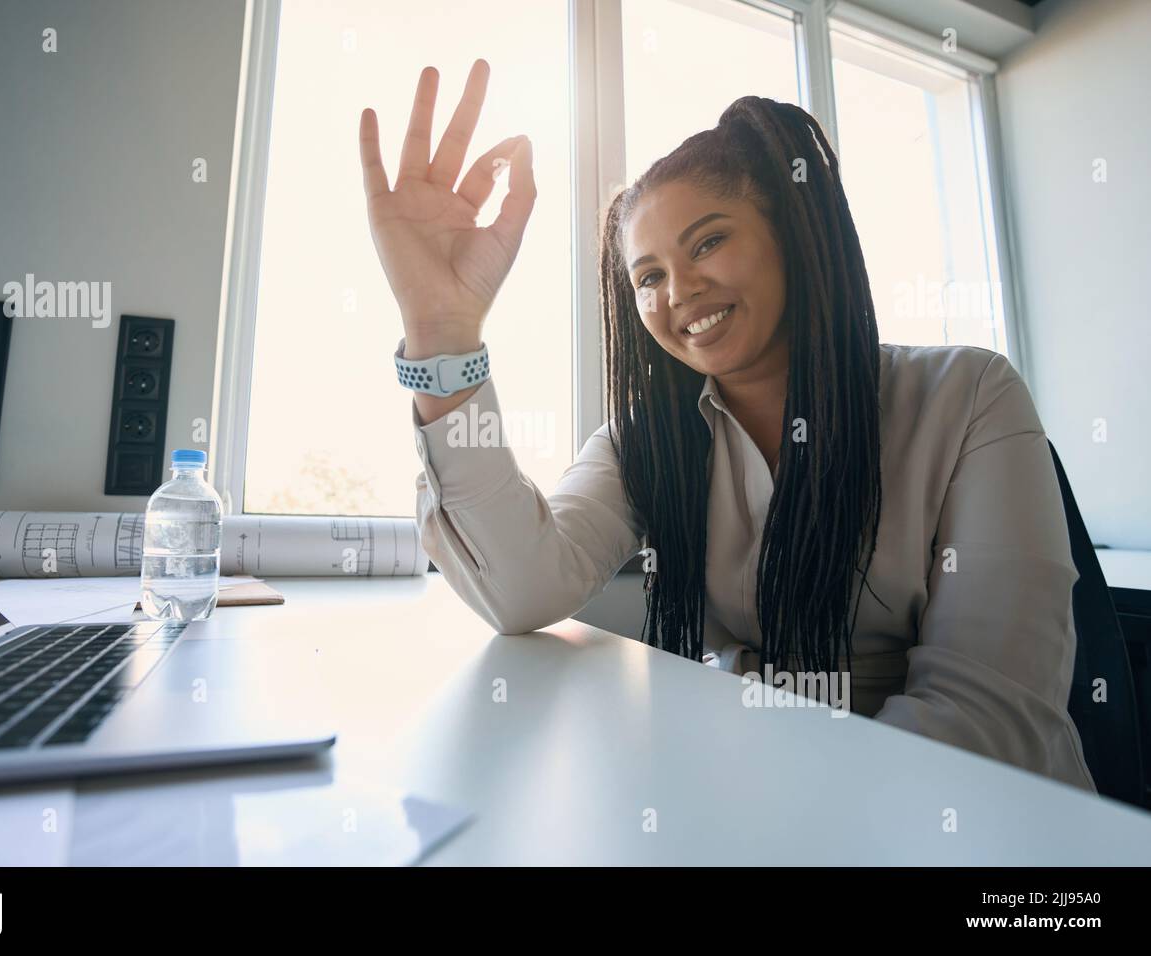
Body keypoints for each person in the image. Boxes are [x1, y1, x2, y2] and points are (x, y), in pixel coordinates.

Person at [359, 59, 1095, 791]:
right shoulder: (643, 443)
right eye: (647, 277)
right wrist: (442, 329)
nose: (679, 292)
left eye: (708, 243)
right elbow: (520, 588)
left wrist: (786, 815)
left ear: (793, 233)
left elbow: (986, 723)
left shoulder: (968, 395)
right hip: (750, 792)